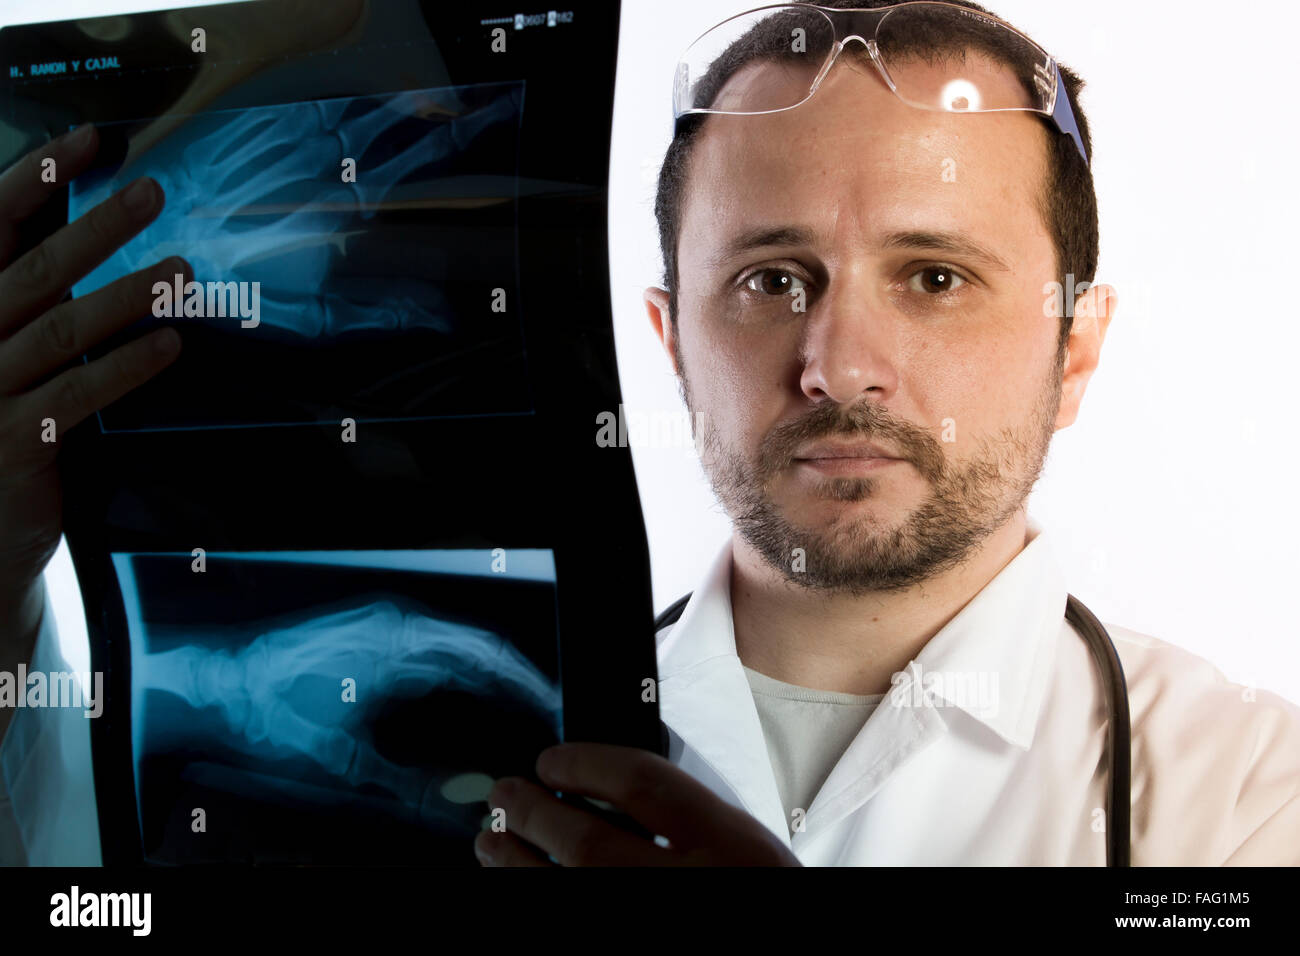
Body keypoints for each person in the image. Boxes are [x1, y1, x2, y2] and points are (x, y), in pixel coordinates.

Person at [3, 0, 1298, 867]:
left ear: (1077, 350)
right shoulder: (484, 748)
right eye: (772, 279)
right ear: (671, 339)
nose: (839, 364)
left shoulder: (1248, 796)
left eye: (935, 278)